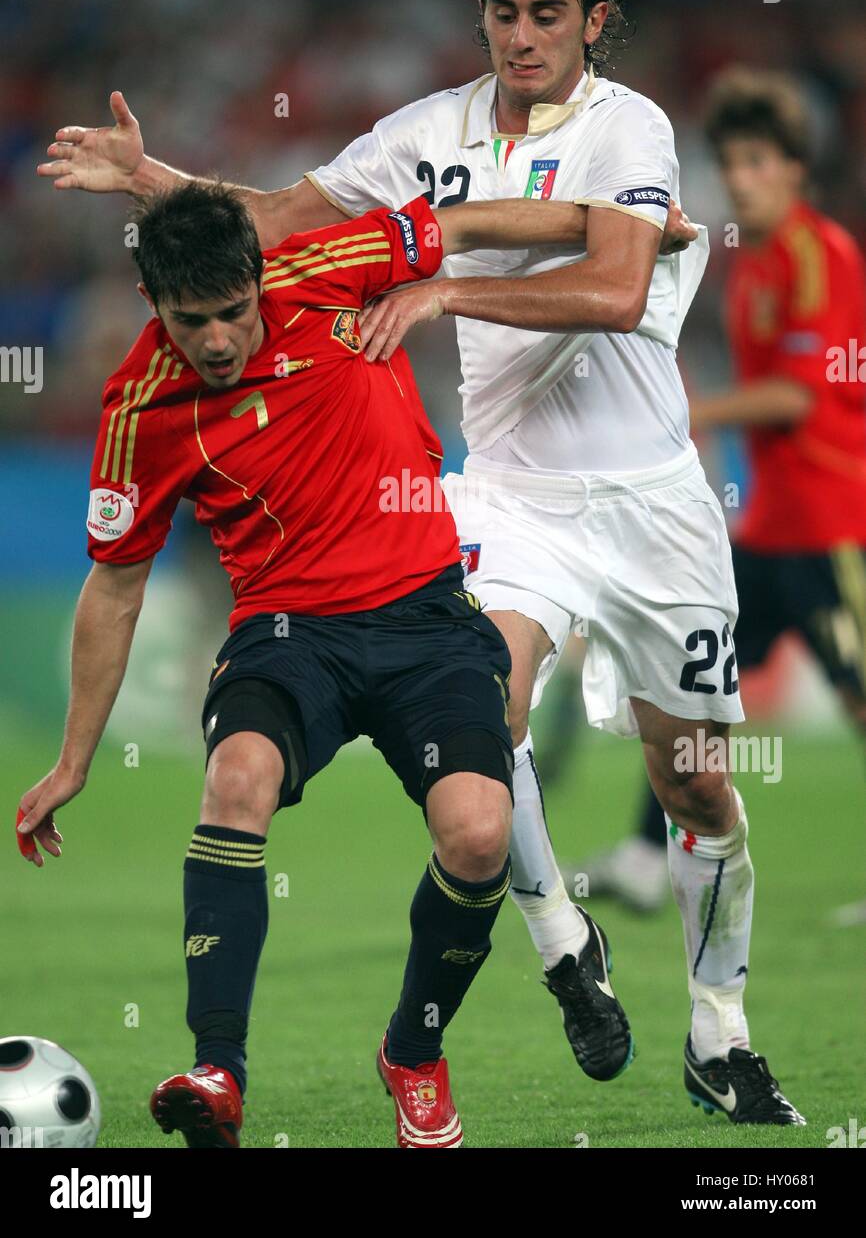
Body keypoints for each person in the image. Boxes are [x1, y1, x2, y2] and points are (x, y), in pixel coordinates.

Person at [36, 0, 803, 1125]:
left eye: (546, 15)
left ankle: (718, 1029)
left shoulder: (630, 130)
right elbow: (267, 227)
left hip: (653, 498)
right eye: (501, 12)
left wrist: (444, 284)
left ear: (594, 21)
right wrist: (150, 178)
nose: (520, 36)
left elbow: (615, 288)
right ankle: (561, 942)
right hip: (507, 491)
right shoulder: (422, 132)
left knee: (696, 786)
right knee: (484, 712)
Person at [16, 182, 627, 1149]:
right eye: (189, 321)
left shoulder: (328, 266)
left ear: (258, 277)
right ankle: (219, 1069)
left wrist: (616, 227)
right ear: (152, 301)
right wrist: (73, 761)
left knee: (479, 834)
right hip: (287, 632)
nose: (216, 341)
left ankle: (413, 1052)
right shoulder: (142, 405)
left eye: (232, 312)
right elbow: (116, 587)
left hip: (426, 616)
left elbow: (463, 222)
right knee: (236, 778)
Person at [584, 69, 866, 931]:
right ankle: (646, 855)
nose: (741, 179)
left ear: (795, 168)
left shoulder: (820, 256)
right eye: (731, 163)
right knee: (698, 688)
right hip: (770, 529)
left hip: (832, 525)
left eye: (757, 161)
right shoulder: (754, 265)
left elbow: (798, 396)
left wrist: (689, 413)